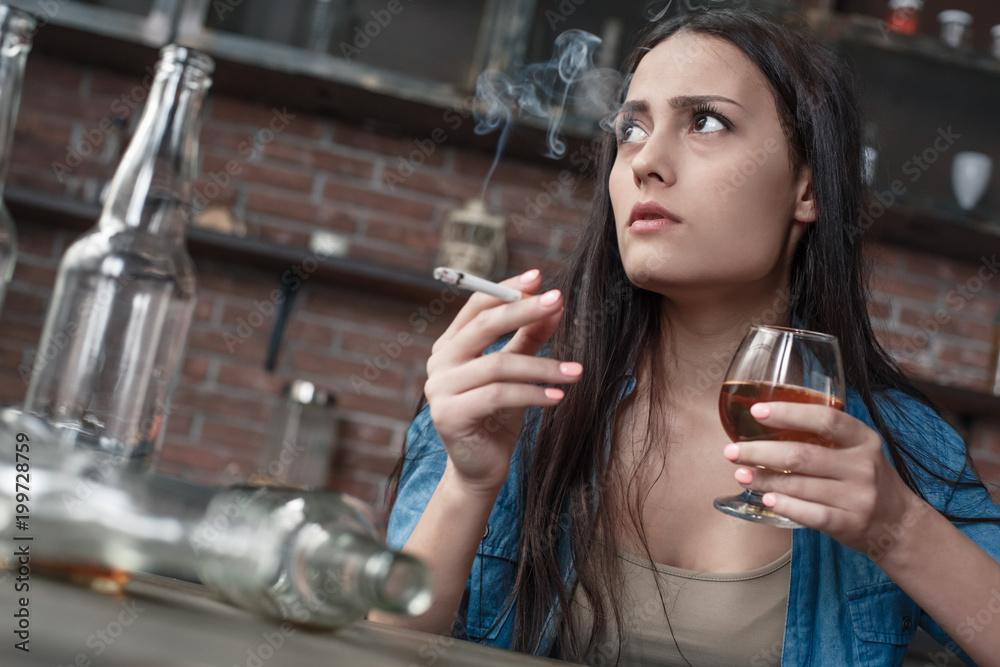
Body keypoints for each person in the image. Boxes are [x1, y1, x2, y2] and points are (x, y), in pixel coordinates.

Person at [369, 7, 1000, 666]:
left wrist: (898, 528)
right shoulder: (512, 392)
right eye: (631, 128)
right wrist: (468, 486)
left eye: (705, 121)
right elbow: (379, 649)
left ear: (806, 186)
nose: (646, 162)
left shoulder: (897, 445)